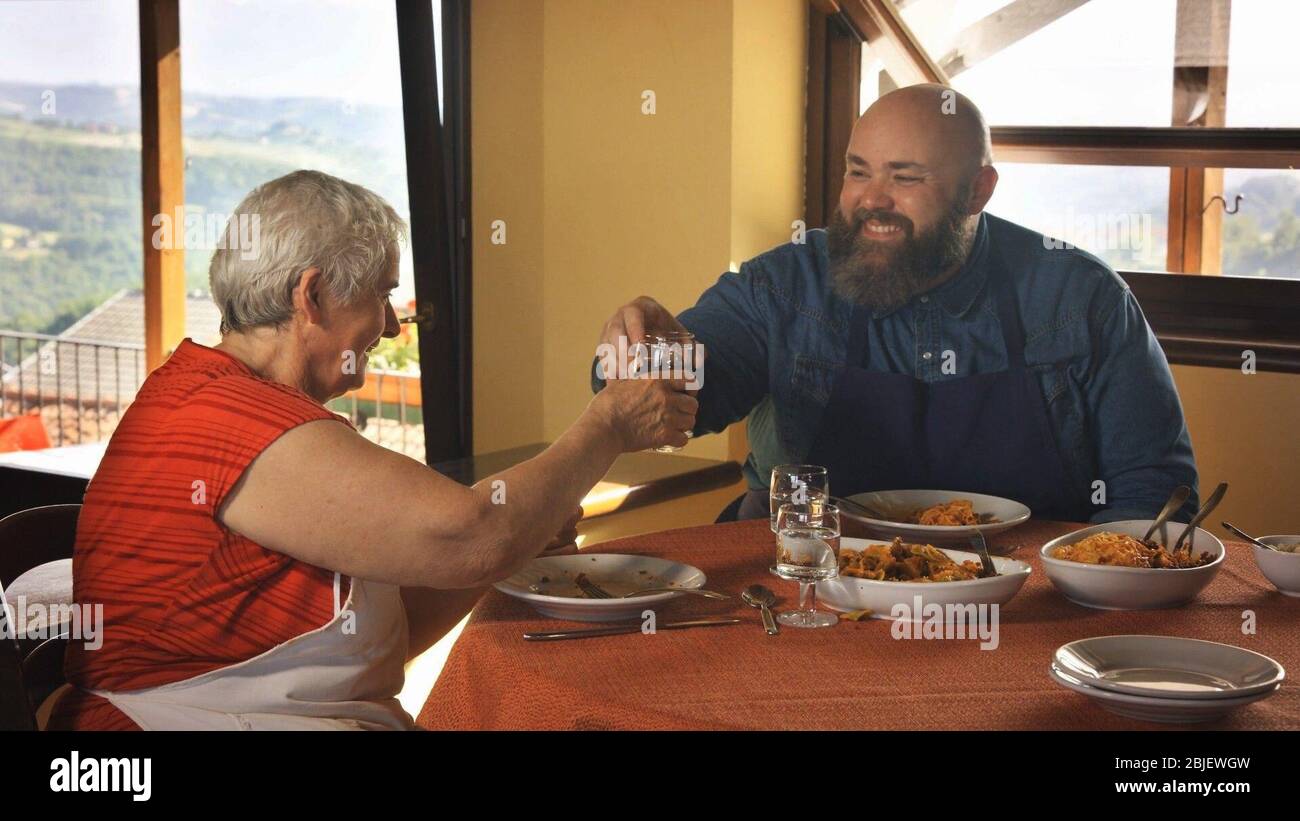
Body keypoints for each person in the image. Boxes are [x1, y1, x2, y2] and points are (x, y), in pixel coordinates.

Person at [52, 170, 697, 730]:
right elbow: (472, 533)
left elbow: (387, 630)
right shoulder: (223, 417)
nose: (392, 325)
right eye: (383, 295)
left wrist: (521, 537)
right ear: (311, 297)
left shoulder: (237, 401)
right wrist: (609, 425)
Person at [594, 84, 1197, 524]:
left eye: (906, 178)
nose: (871, 201)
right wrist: (637, 356)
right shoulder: (784, 285)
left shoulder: (1079, 297)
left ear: (977, 191)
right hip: (799, 591)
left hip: (1020, 610)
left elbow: (1153, 496)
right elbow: (668, 403)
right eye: (859, 172)